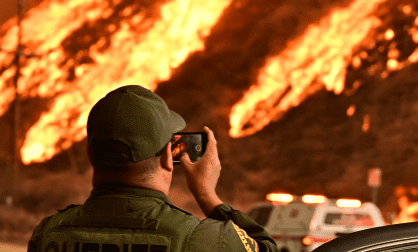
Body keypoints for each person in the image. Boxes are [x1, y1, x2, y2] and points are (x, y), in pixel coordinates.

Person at [28, 85, 277, 252]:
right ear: (169, 157)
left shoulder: (47, 235)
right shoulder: (200, 239)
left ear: (90, 155)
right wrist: (207, 195)